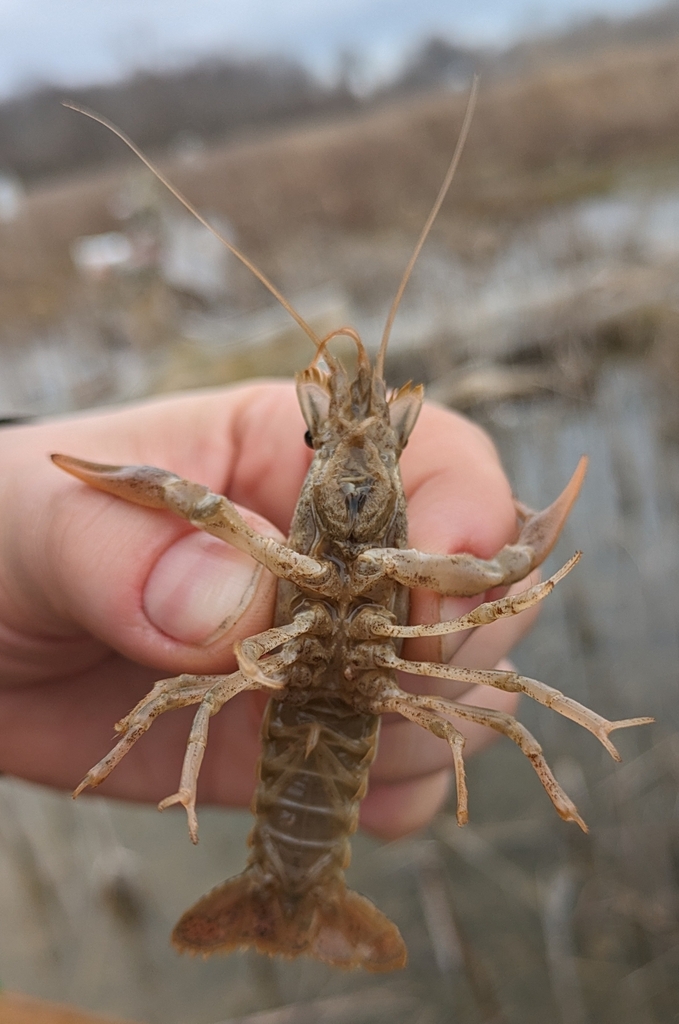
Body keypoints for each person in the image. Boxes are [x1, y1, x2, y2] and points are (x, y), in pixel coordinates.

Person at [0, 381, 537, 840]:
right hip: (292, 694)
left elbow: (491, 580)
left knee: (492, 687)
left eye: (386, 449)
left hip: (327, 712)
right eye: (317, 442)